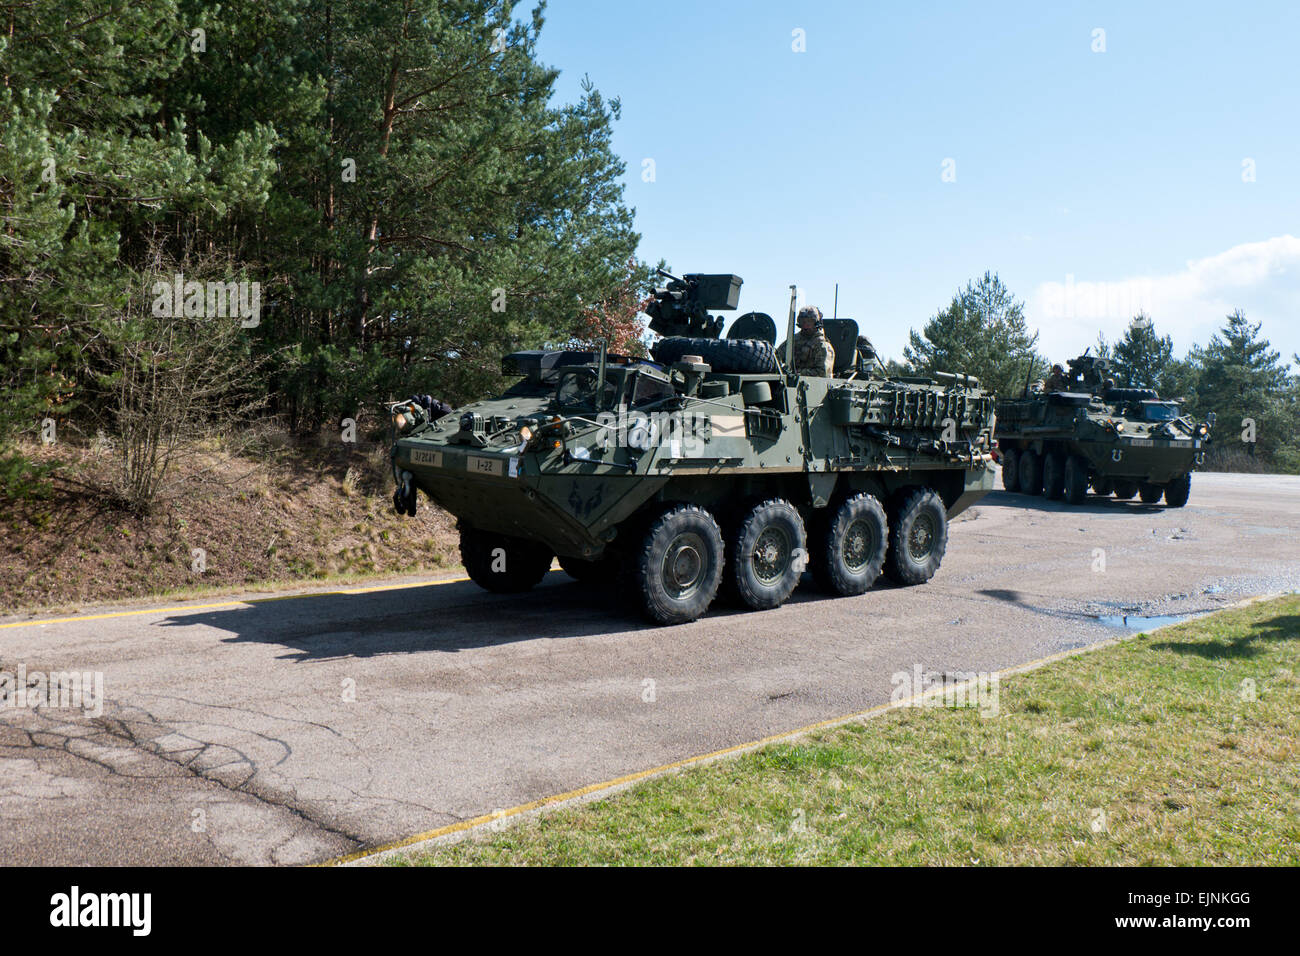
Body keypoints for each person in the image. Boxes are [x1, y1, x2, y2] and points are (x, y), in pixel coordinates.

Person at [792, 306, 835, 377]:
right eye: (803, 322)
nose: (805, 326)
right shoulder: (793, 341)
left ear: (816, 323)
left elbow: (822, 373)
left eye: (809, 322)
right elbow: (777, 356)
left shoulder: (822, 345)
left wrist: (797, 373)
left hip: (815, 382)